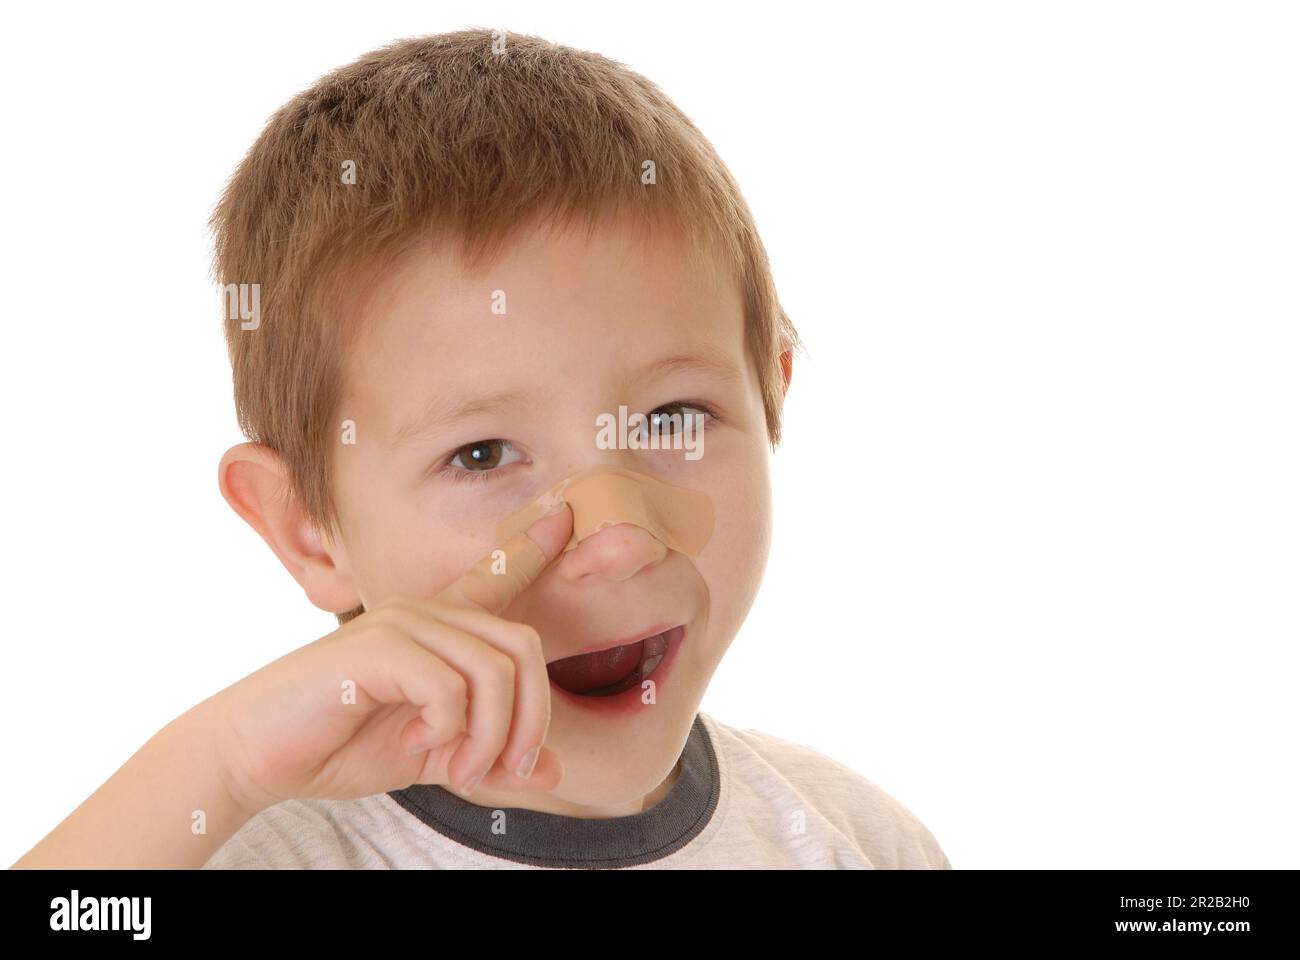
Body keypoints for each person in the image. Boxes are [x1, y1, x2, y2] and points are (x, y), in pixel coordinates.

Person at [12, 28, 950, 870]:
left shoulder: (858, 842)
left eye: (672, 419)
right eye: (482, 455)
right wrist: (219, 762)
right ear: (307, 530)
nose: (618, 537)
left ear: (773, 395)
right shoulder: (251, 850)